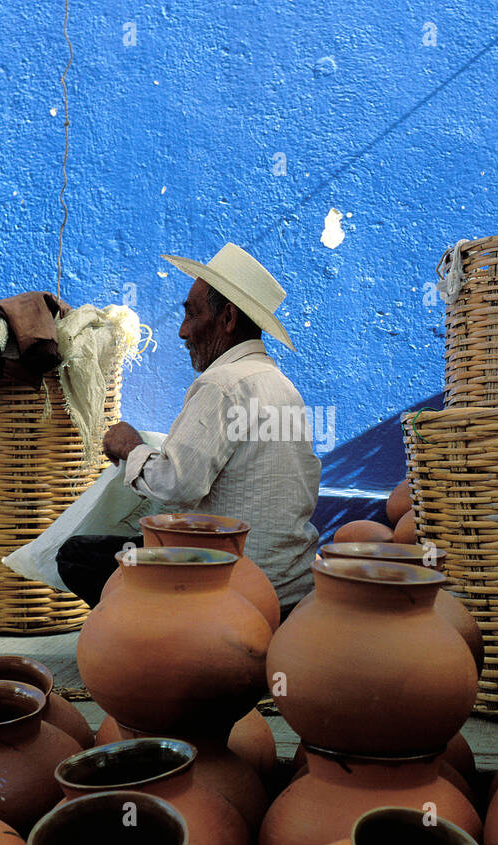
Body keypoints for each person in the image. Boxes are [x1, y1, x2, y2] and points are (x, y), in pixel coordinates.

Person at [57, 243, 321, 615]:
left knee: (76, 556)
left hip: (231, 583)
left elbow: (176, 486)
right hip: (291, 584)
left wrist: (130, 448)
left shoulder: (222, 384)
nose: (182, 332)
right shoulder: (279, 383)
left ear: (228, 318)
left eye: (192, 315)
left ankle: (173, 638)